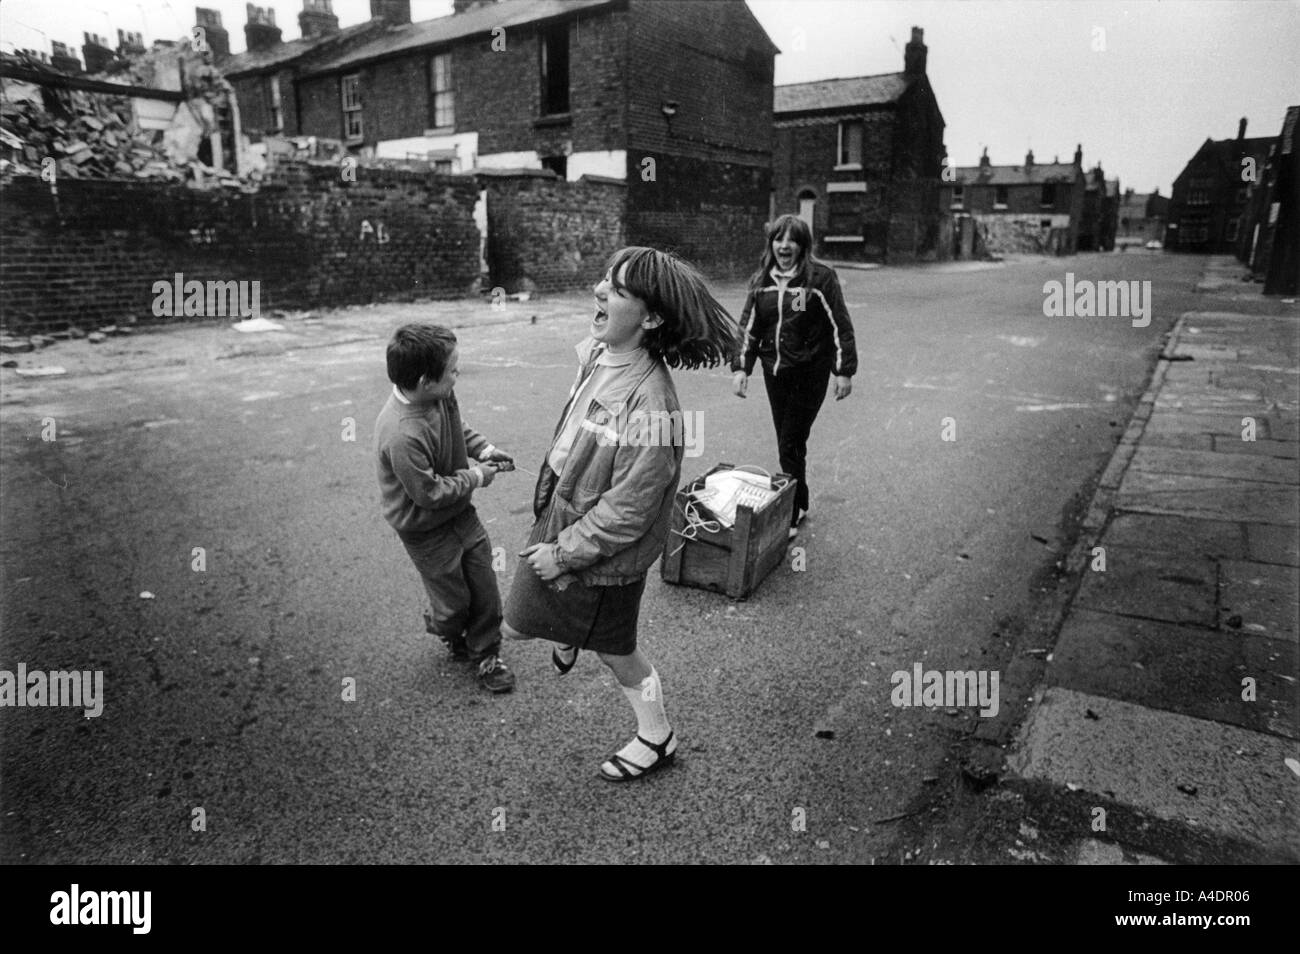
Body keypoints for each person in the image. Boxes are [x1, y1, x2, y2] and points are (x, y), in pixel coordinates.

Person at [502, 247, 738, 782]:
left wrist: (564, 555)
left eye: (618, 289)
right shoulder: (600, 353)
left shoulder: (654, 405)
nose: (598, 291)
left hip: (600, 551)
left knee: (614, 650)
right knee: (519, 625)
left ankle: (657, 738)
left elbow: (632, 509)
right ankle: (571, 629)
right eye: (604, 280)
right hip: (564, 510)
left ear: (651, 317)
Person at [375, 323, 517, 693]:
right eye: (452, 371)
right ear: (425, 382)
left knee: (484, 585)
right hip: (425, 529)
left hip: (460, 514)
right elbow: (430, 494)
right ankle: (448, 627)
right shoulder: (402, 434)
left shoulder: (440, 395)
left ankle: (486, 652)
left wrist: (484, 450)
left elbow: (458, 427)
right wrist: (477, 476)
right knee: (454, 605)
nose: (457, 376)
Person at [731, 214, 857, 538]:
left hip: (810, 373)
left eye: (792, 240)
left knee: (790, 442)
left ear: (803, 245)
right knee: (788, 442)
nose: (784, 245)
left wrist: (843, 372)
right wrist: (742, 367)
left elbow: (840, 325)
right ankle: (799, 500)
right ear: (771, 243)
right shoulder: (762, 281)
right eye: (778, 238)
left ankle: (791, 512)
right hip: (776, 372)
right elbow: (749, 326)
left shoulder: (819, 279)